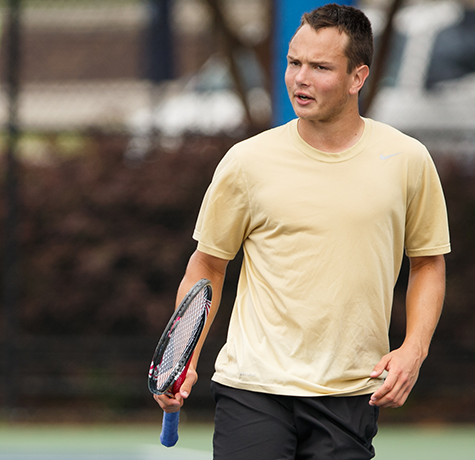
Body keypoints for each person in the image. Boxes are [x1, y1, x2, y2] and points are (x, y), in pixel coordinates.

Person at [152, 4, 450, 459]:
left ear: (358, 78)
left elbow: (427, 263)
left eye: (320, 67)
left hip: (350, 394)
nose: (300, 78)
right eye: (294, 62)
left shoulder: (408, 160)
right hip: (252, 387)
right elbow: (208, 266)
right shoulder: (246, 162)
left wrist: (414, 348)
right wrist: (184, 358)